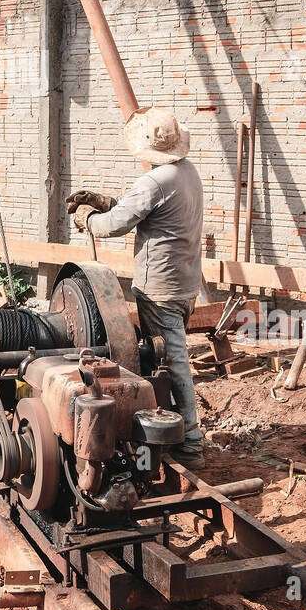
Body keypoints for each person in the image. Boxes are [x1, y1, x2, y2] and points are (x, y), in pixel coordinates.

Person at [66, 107, 205, 467]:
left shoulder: (155, 181)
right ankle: (170, 428)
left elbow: (116, 225)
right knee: (162, 355)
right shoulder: (187, 172)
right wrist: (103, 201)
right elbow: (150, 210)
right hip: (185, 282)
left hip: (160, 286)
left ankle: (190, 439)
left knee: (172, 359)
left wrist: (89, 218)